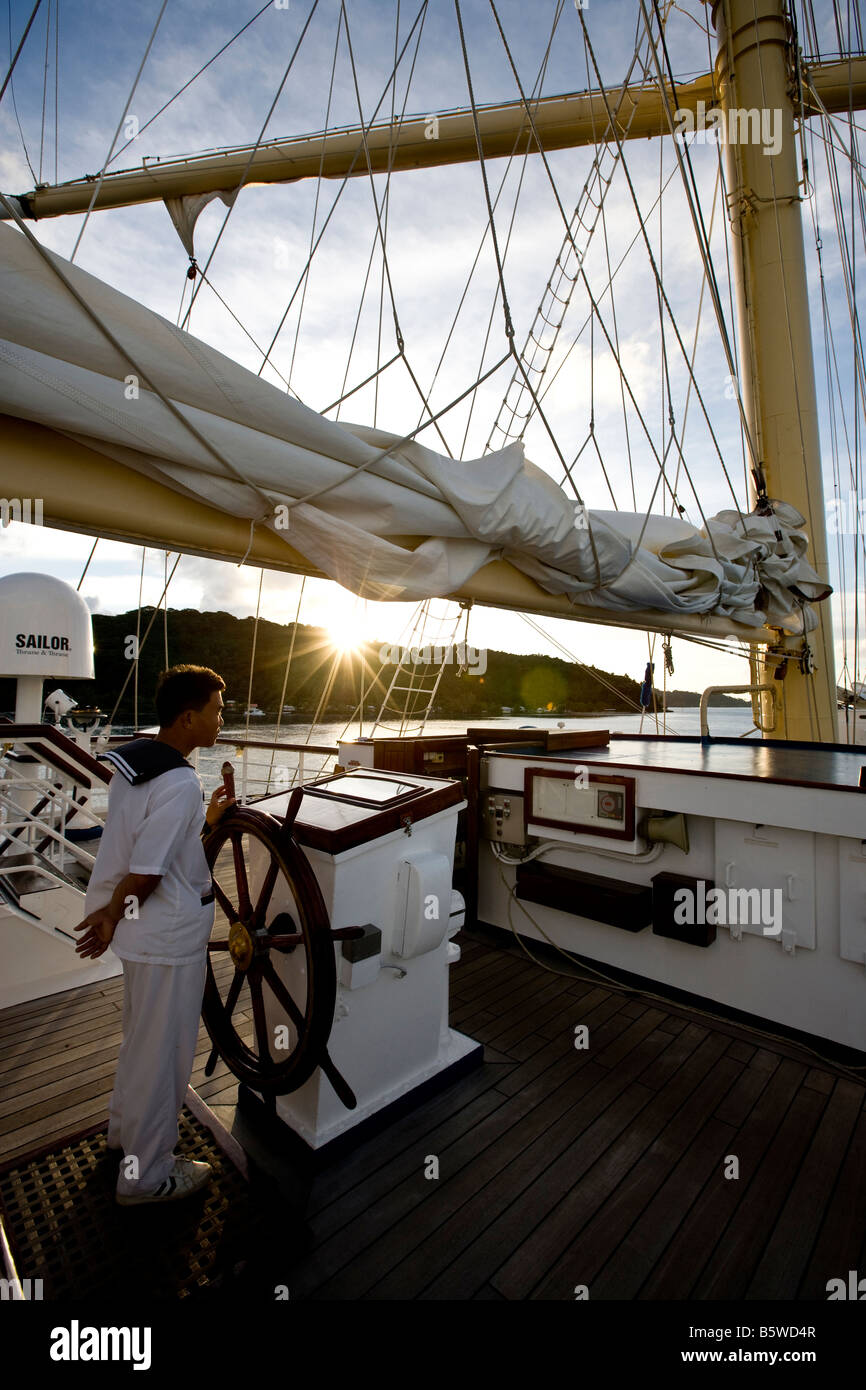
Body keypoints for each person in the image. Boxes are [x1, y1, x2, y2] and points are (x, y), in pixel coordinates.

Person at [74, 665, 234, 1206]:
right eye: (216, 710)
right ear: (188, 718)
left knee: (140, 1040)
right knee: (165, 1053)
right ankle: (146, 1176)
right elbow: (149, 872)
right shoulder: (182, 781)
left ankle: (125, 1137)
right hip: (167, 938)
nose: (221, 720)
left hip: (145, 939)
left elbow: (159, 839)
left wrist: (207, 820)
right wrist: (114, 913)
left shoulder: (138, 765)